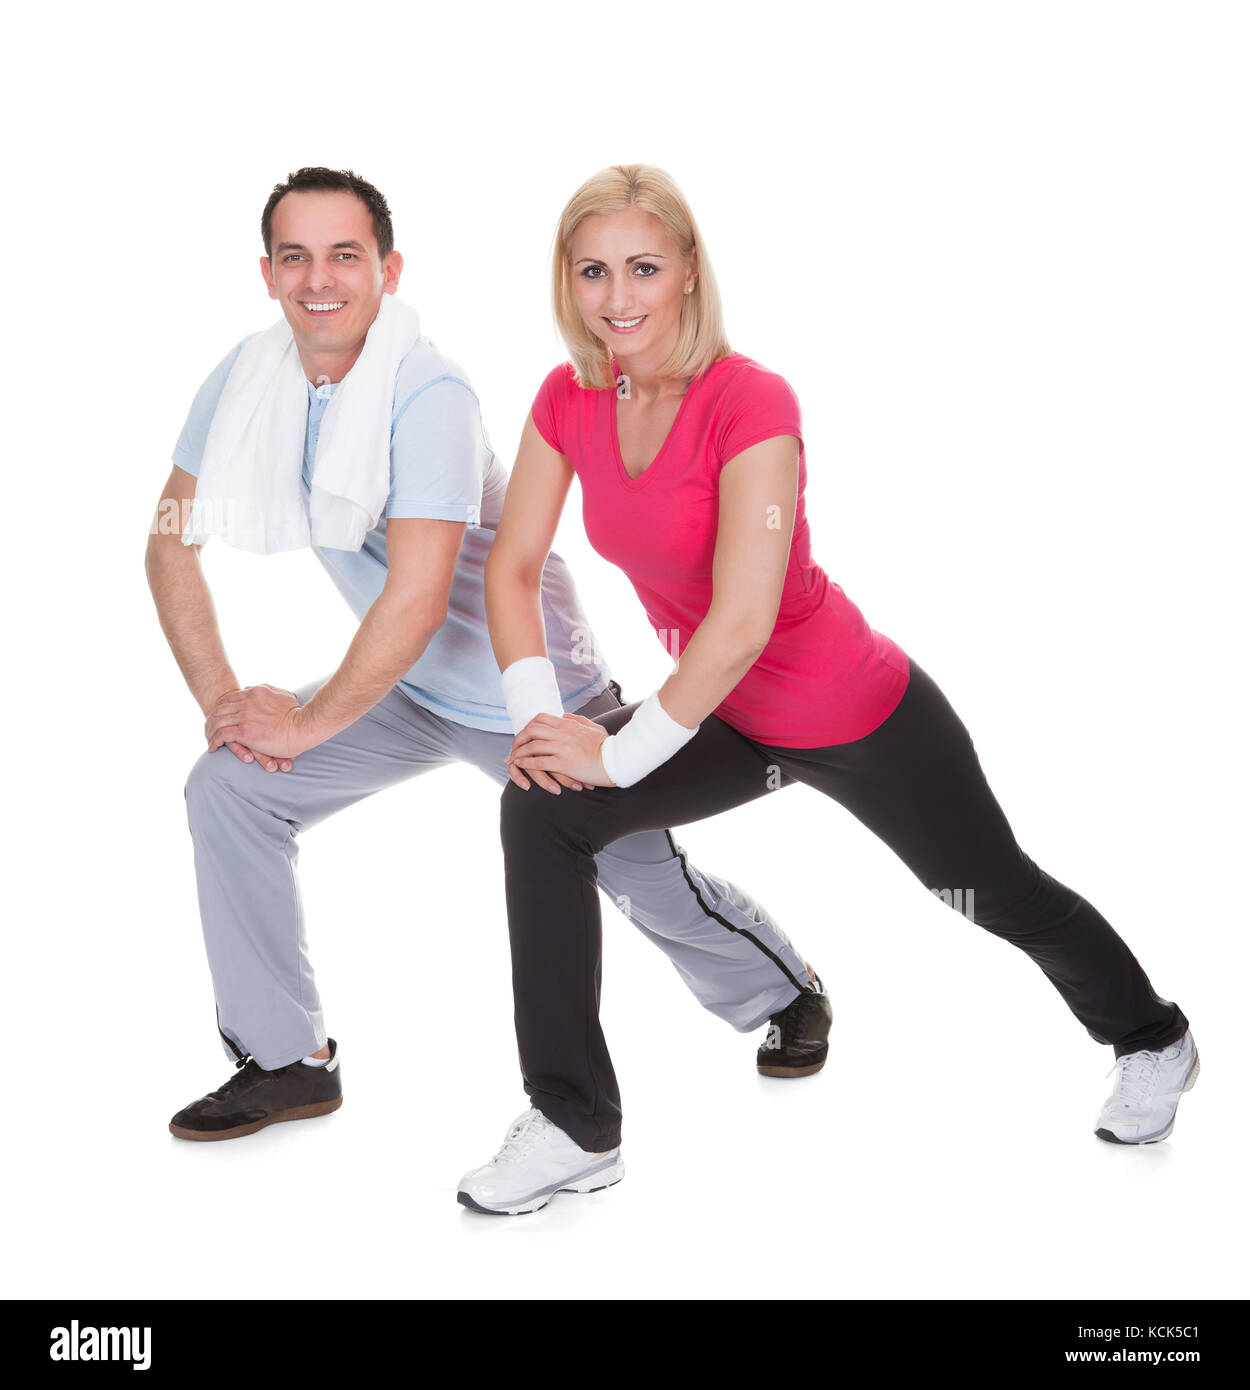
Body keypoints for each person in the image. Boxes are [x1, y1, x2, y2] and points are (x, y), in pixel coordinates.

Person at [459, 163, 1198, 1215]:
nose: (616, 296)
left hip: (847, 710)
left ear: (686, 275)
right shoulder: (568, 396)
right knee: (539, 805)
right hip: (722, 718)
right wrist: (545, 721)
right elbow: (511, 564)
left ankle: (1151, 1037)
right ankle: (574, 1123)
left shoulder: (751, 400)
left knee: (987, 892)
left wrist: (613, 751)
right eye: (592, 271)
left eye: (642, 267)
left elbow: (743, 622)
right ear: (564, 281)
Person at [146, 167, 833, 1144]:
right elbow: (169, 539)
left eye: (344, 254)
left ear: (387, 269)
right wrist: (226, 704)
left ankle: (784, 987)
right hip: (398, 683)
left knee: (640, 877)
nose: (319, 279)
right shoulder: (246, 381)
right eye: (295, 256)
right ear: (267, 274)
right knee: (230, 786)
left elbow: (420, 599)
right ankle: (285, 1059)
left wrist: (300, 719)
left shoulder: (428, 395)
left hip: (528, 684)